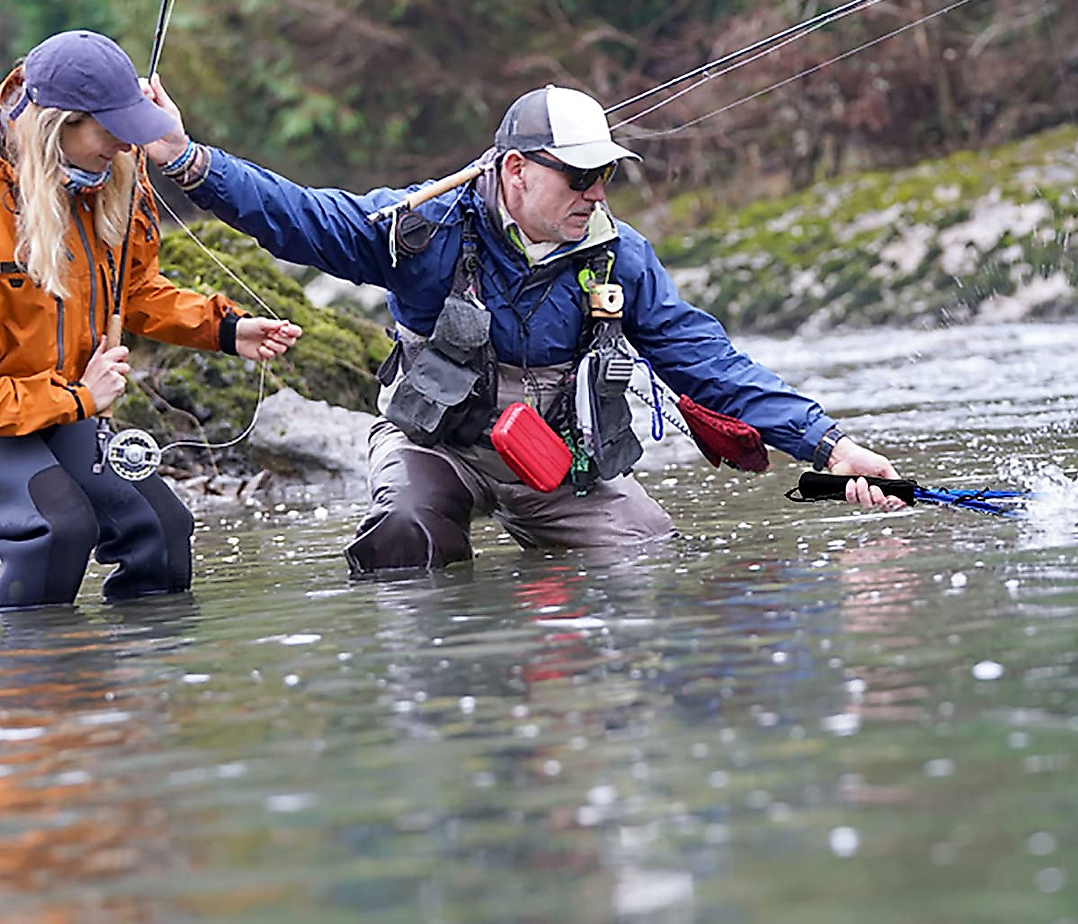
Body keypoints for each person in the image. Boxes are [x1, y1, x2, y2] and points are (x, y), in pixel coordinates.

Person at [141, 81, 902, 571]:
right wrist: (186, 159)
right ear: (516, 171)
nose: (596, 193)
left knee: (649, 561)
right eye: (579, 176)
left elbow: (706, 361)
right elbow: (300, 216)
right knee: (404, 538)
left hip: (560, 467)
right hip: (435, 447)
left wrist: (828, 446)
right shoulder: (424, 228)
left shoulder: (618, 256)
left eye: (606, 175)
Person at [0, 30, 302, 608]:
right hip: (23, 411)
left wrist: (226, 329)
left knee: (161, 530)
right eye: (110, 130)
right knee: (57, 530)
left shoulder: (108, 172)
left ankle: (144, 665)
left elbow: (133, 292)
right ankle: (36, 665)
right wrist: (81, 399)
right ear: (57, 126)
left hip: (62, 405)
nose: (125, 144)